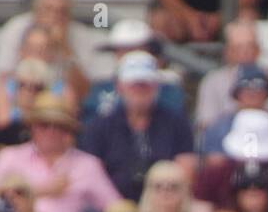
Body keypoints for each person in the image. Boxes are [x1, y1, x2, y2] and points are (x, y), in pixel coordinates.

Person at [0, 93, 122, 212]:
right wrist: (42, 190)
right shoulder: (9, 157)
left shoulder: (87, 164)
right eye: (44, 125)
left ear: (68, 131)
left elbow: (115, 208)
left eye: (59, 126)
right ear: (32, 127)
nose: (51, 131)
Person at [78, 51, 196, 201]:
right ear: (119, 87)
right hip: (112, 206)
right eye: (134, 85)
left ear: (156, 86)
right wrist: (117, 207)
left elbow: (185, 171)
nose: (140, 90)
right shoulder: (99, 127)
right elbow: (92, 175)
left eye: (145, 84)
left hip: (166, 202)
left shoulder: (177, 123)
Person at [0, 0, 104, 84]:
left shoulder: (80, 35)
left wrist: (65, 48)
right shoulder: (16, 29)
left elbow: (84, 91)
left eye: (62, 11)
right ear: (36, 10)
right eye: (48, 9)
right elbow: (3, 79)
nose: (54, 17)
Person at [194, 20, 268, 132]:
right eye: (239, 48)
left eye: (250, 47)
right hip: (225, 141)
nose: (245, 53)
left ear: (259, 50)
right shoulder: (213, 82)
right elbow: (206, 125)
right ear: (228, 52)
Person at [151, 0, 263, 43]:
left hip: (230, 15)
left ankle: (245, 75)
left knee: (247, 20)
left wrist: (220, 18)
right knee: (159, 22)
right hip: (183, 16)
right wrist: (191, 19)